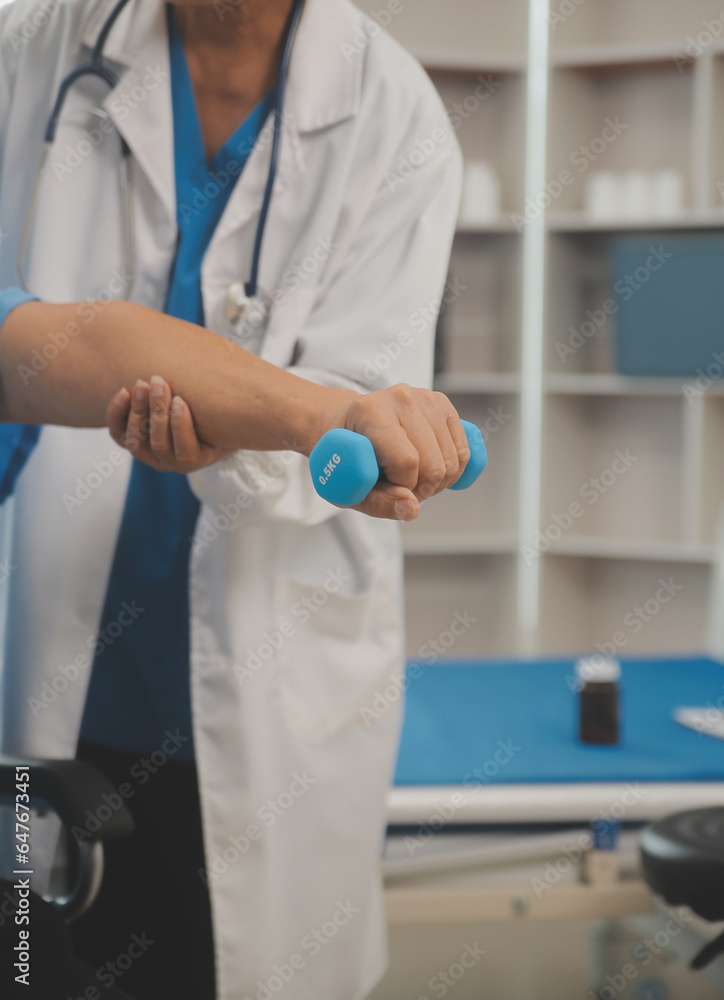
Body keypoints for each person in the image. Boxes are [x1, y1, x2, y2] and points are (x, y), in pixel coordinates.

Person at [0, 1, 463, 998]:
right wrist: (309, 414)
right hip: (54, 660)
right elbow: (36, 348)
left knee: (239, 963)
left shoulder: (391, 111)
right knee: (45, 958)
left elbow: (357, 423)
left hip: (272, 672)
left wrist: (266, 429)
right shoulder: (34, 48)